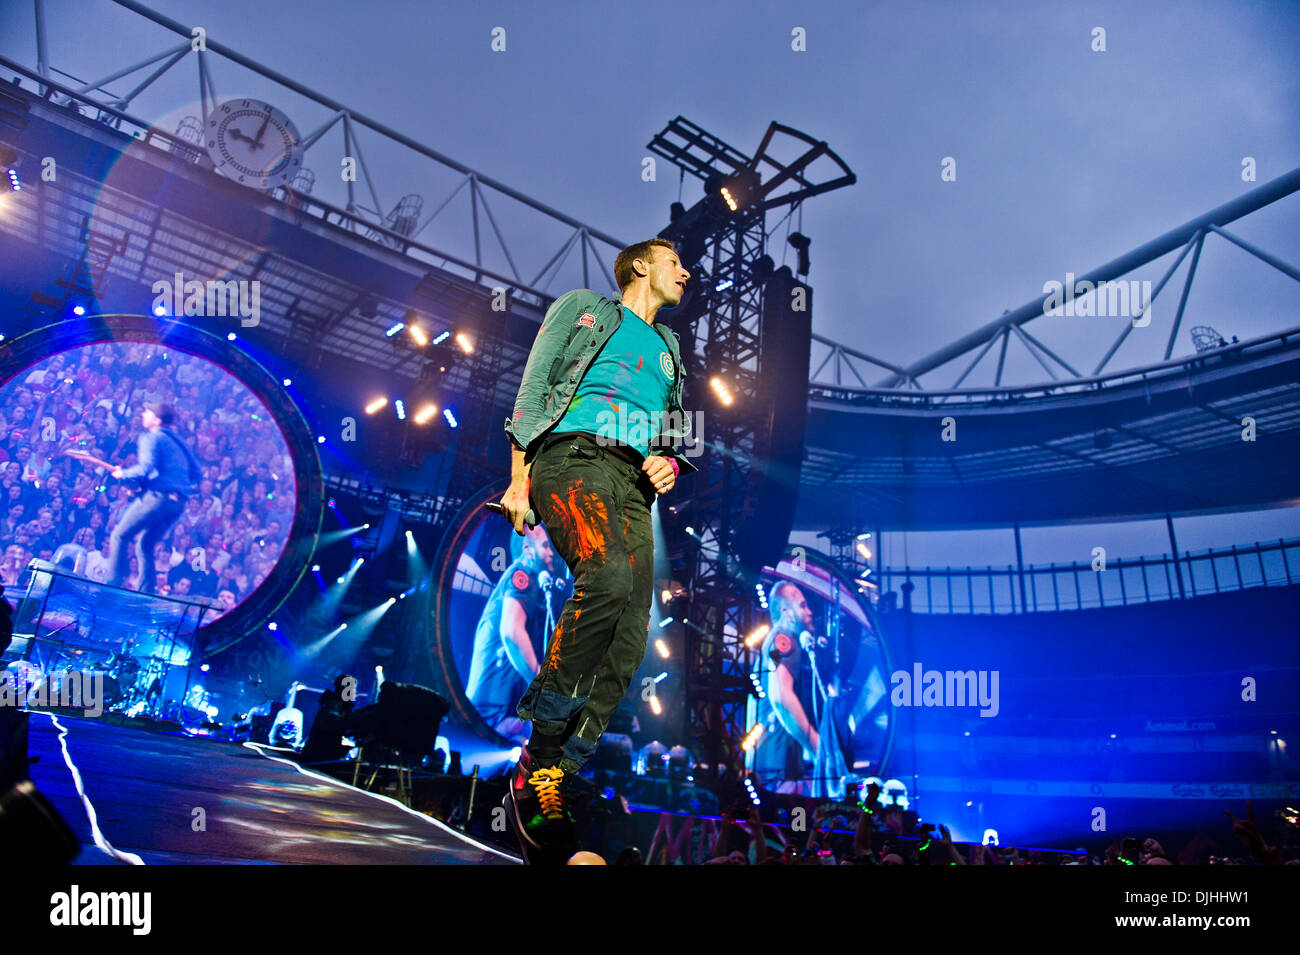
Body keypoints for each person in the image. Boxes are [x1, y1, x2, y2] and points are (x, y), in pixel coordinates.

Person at [497, 237, 696, 854]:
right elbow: (535, 389)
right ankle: (545, 751)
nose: (685, 273)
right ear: (641, 265)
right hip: (573, 459)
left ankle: (551, 768)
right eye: (674, 263)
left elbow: (674, 431)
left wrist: (670, 462)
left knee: (633, 636)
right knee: (605, 580)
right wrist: (518, 478)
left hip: (636, 489)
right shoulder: (585, 308)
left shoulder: (671, 349)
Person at [464, 524, 567, 741]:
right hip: (491, 711)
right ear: (528, 551)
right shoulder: (522, 575)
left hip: (494, 709)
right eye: (546, 546)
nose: (551, 553)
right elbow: (511, 632)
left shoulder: (530, 583)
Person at [104, 403, 201, 593]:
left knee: (119, 535)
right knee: (145, 544)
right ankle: (145, 592)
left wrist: (123, 474)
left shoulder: (151, 437)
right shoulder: (179, 442)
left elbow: (146, 467)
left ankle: (112, 585)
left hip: (160, 497)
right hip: (178, 503)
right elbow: (196, 474)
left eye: (147, 412)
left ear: (157, 420)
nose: (143, 414)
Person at [753, 581, 821, 794]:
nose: (809, 612)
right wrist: (817, 746)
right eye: (803, 606)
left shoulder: (775, 639)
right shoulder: (784, 638)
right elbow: (780, 696)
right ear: (786, 612)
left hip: (772, 767)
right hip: (779, 773)